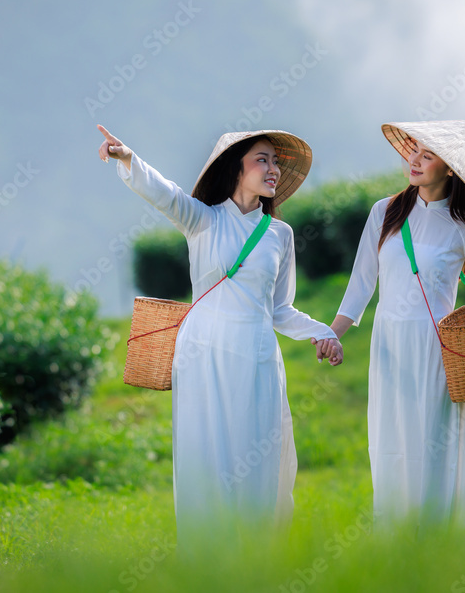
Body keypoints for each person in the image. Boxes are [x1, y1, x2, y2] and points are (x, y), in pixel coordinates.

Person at [96, 124, 342, 549]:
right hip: (203, 355)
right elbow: (165, 194)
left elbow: (280, 308)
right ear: (236, 169)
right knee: (206, 453)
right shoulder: (203, 220)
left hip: (258, 356)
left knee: (260, 454)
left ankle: (258, 555)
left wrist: (323, 334)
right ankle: (208, 558)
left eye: (275, 163)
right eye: (261, 160)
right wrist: (127, 159)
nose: (272, 170)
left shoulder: (279, 235)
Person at [327, 120, 465, 539]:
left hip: (435, 349)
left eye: (427, 155)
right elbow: (361, 283)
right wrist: (333, 333)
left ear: (450, 169)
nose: (414, 159)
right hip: (389, 346)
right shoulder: (386, 211)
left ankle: (441, 539)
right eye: (415, 151)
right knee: (391, 439)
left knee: (435, 440)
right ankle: (397, 541)